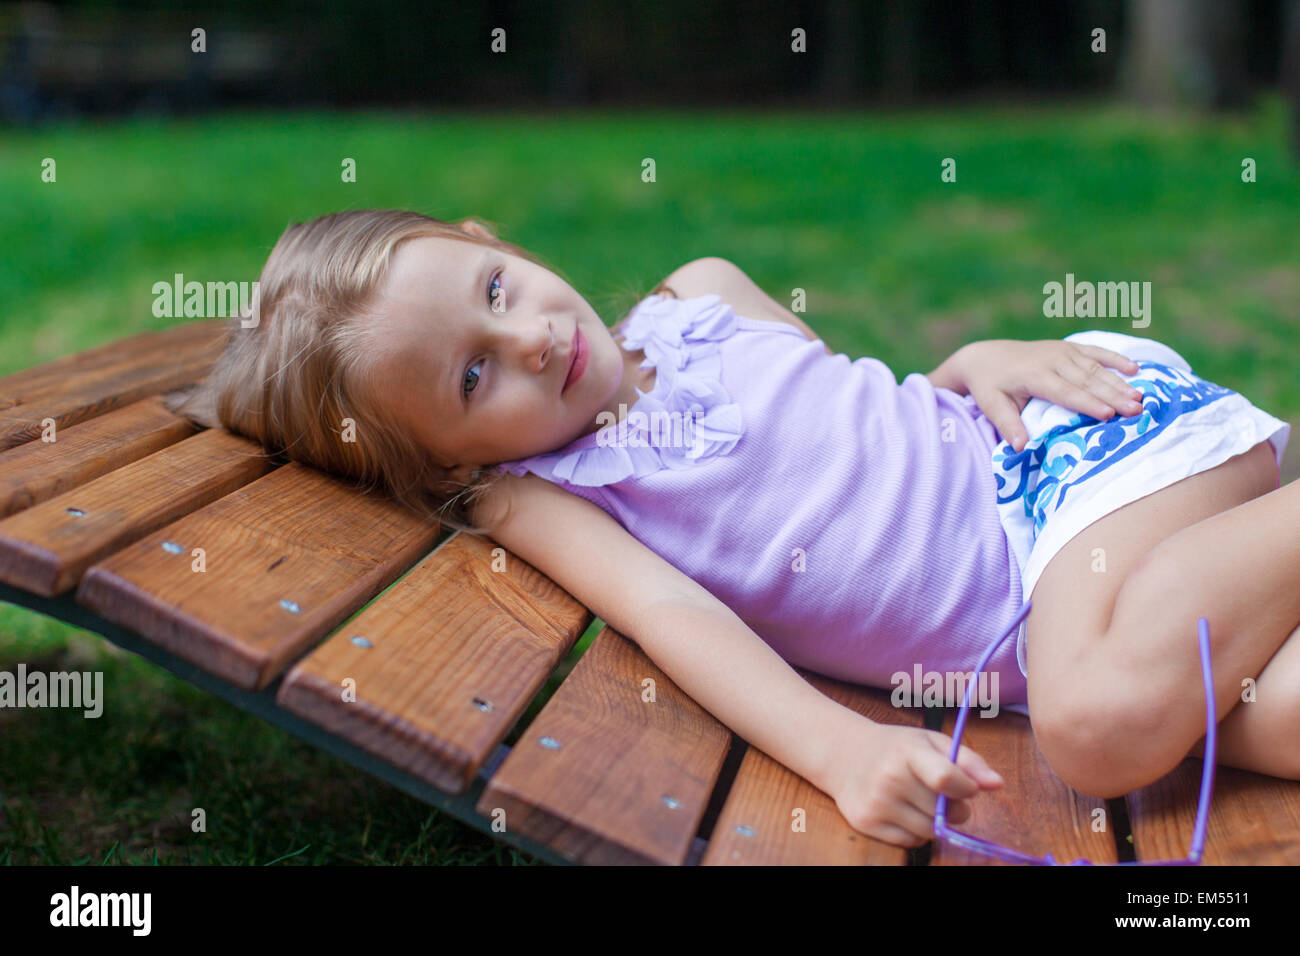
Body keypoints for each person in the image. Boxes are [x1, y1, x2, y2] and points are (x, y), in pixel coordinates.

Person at [166, 209, 1295, 851]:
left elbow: (877, 407)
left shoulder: (701, 293)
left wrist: (970, 363)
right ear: (446, 461)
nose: (529, 342)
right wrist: (841, 747)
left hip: (1072, 466)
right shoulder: (547, 494)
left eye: (497, 290)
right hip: (1099, 589)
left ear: (490, 236)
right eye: (471, 376)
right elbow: (674, 614)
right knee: (1269, 718)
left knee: (1094, 728)